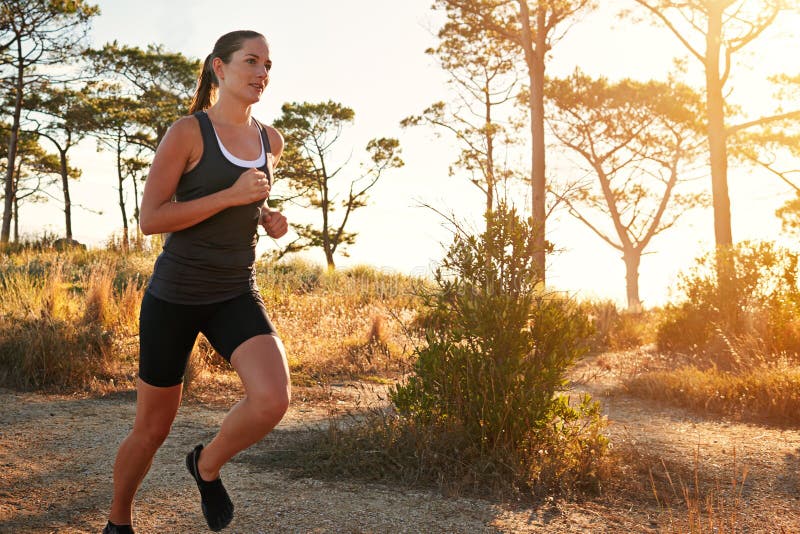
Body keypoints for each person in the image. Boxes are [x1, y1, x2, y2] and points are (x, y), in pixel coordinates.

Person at [103, 30, 290, 534]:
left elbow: (249, 202)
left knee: (273, 399)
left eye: (267, 65)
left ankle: (206, 466)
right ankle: (119, 521)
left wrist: (268, 216)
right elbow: (151, 219)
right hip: (175, 296)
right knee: (152, 429)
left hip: (234, 290)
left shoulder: (270, 141)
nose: (262, 73)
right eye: (251, 61)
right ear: (219, 69)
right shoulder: (187, 133)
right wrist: (230, 198)